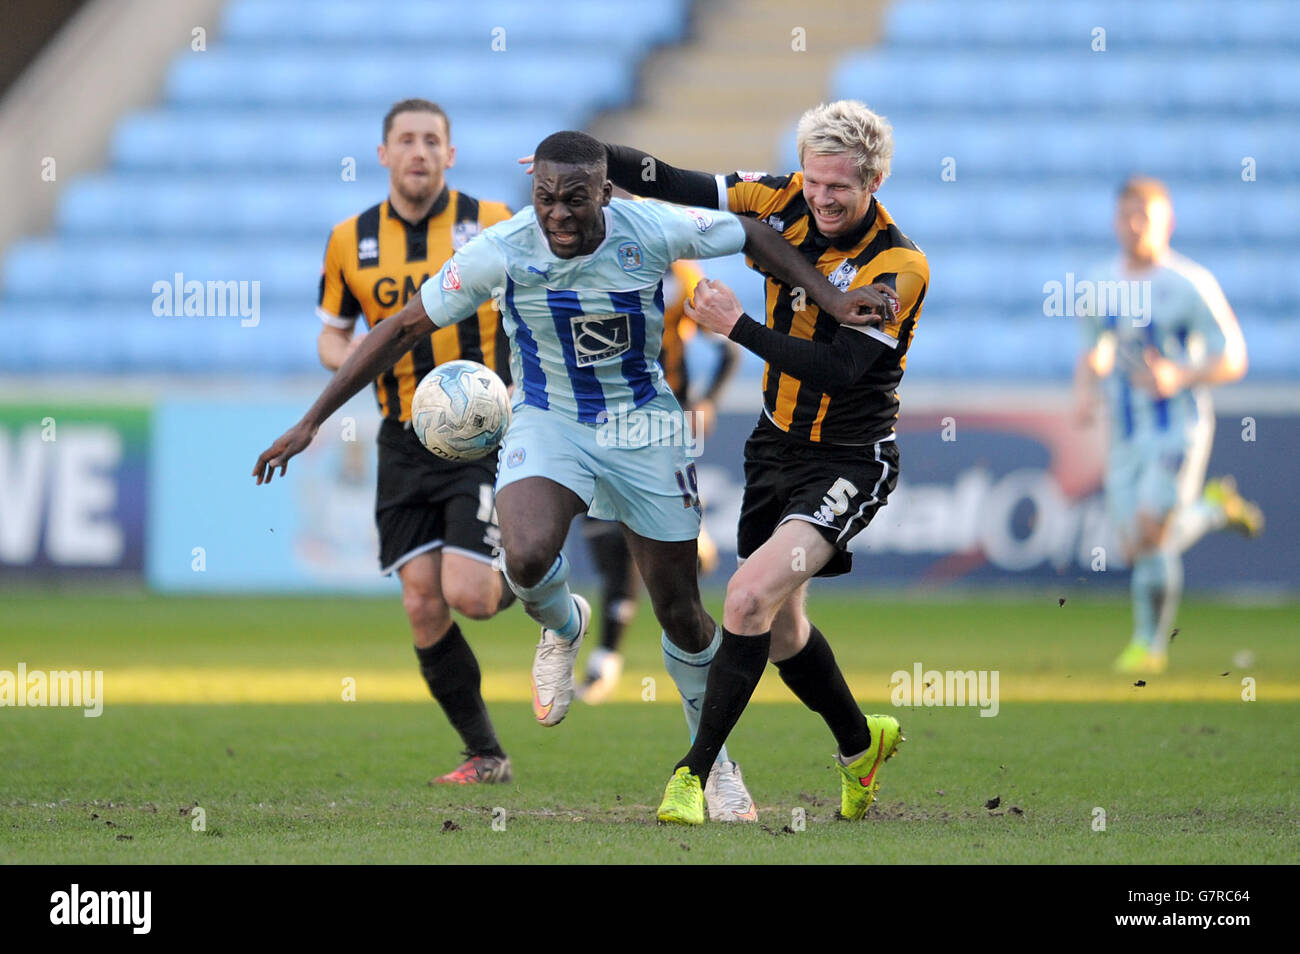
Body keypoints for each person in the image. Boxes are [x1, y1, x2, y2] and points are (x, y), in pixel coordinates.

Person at [254, 130, 888, 823]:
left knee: (679, 610)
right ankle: (563, 623)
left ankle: (717, 768)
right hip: (547, 422)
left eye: (574, 199)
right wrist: (313, 419)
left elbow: (747, 232)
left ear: (606, 194)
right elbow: (402, 326)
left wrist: (828, 299)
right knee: (524, 555)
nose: (557, 213)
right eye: (545, 197)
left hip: (644, 428)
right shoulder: (503, 248)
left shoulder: (648, 229)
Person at [590, 100, 925, 825]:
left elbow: (839, 368)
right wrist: (590, 159)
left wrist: (733, 326)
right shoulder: (777, 197)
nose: (822, 198)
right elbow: (675, 180)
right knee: (780, 628)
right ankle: (860, 745)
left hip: (849, 460)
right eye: (814, 181)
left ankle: (693, 775)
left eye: (840, 186)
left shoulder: (898, 266)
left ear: (873, 180)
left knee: (743, 598)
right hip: (775, 449)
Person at [315, 98, 517, 785]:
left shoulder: (491, 224)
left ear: (450, 154)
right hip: (401, 439)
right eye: (406, 140)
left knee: (472, 596)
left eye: (433, 140)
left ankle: (540, 578)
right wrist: (341, 358)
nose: (419, 152)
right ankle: (485, 753)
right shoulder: (350, 239)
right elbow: (332, 329)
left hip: (481, 434)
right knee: (421, 603)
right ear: (384, 154)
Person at [1074, 176, 1263, 675]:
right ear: (1115, 221)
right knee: (1135, 545)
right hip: (1126, 431)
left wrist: (1180, 373)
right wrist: (1086, 389)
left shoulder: (1188, 284)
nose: (1134, 226)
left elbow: (1234, 357)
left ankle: (1148, 646)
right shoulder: (1097, 284)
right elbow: (1094, 347)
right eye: (1126, 216)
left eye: (1145, 217)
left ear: (1166, 222)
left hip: (1178, 425)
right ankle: (1213, 510)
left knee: (1152, 531)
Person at [577, 257, 739, 705]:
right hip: (600, 420)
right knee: (609, 542)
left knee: (633, 543)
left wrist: (707, 400)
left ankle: (606, 658)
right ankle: (607, 656)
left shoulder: (681, 277)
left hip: (659, 423)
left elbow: (728, 348)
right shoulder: (586, 264)